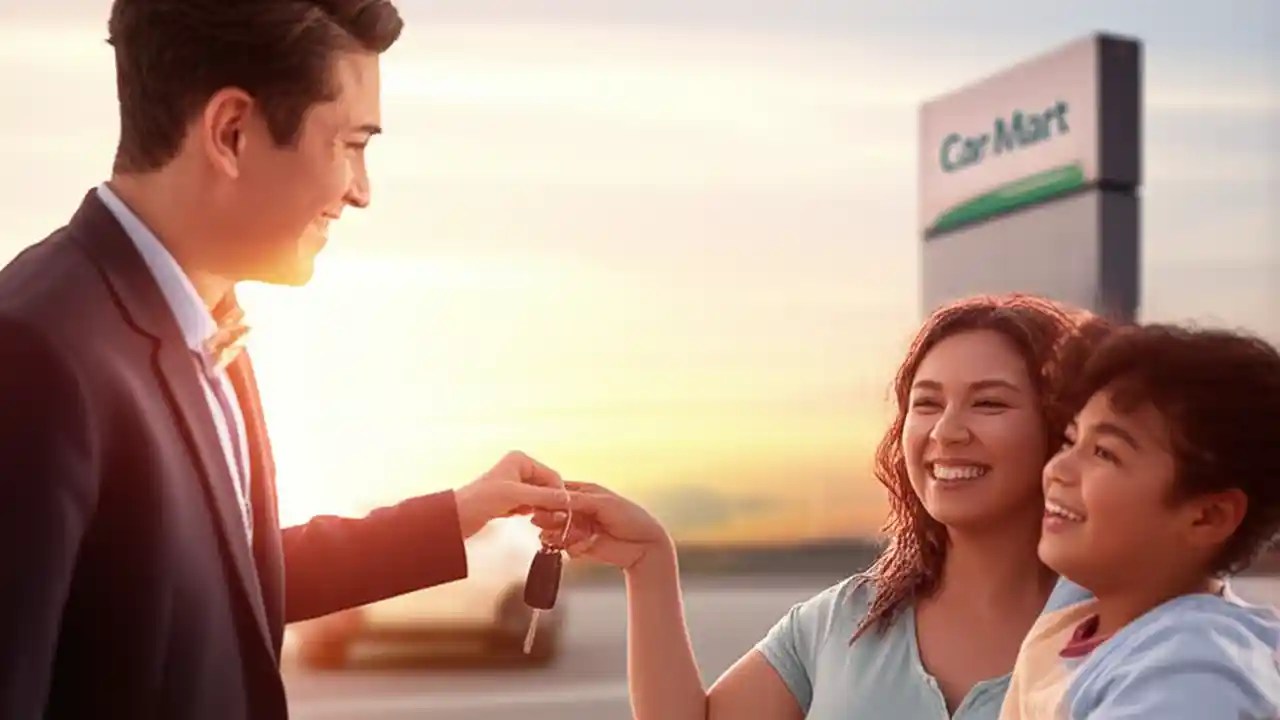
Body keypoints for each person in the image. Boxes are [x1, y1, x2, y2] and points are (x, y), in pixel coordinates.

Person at [0, 1, 571, 718]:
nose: (361, 191)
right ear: (231, 132)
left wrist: (456, 516)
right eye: (351, 144)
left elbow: (229, 579)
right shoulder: (34, 355)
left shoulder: (204, 331)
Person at [539, 293, 1106, 719]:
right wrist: (649, 563)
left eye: (989, 403)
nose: (947, 431)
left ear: (1063, 430)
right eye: (926, 404)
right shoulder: (845, 620)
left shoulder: (1128, 631)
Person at [999, 324, 1280, 719]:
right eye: (1070, 440)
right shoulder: (1094, 616)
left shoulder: (1190, 671)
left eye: (1104, 453)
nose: (1057, 469)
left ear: (1207, 517)